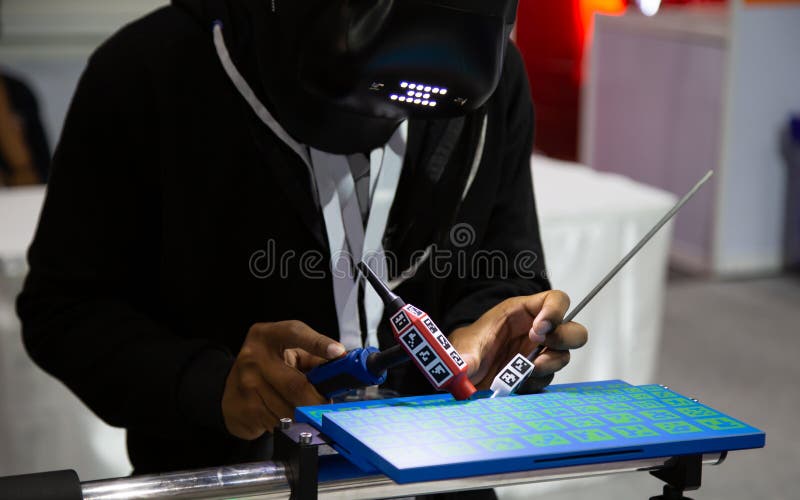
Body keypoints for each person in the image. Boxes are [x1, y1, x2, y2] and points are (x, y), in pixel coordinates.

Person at [17, 0, 588, 476]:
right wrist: (211, 385)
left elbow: (504, 266)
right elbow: (65, 309)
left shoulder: (486, 77)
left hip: (439, 471)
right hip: (233, 481)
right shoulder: (153, 68)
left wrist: (493, 331)